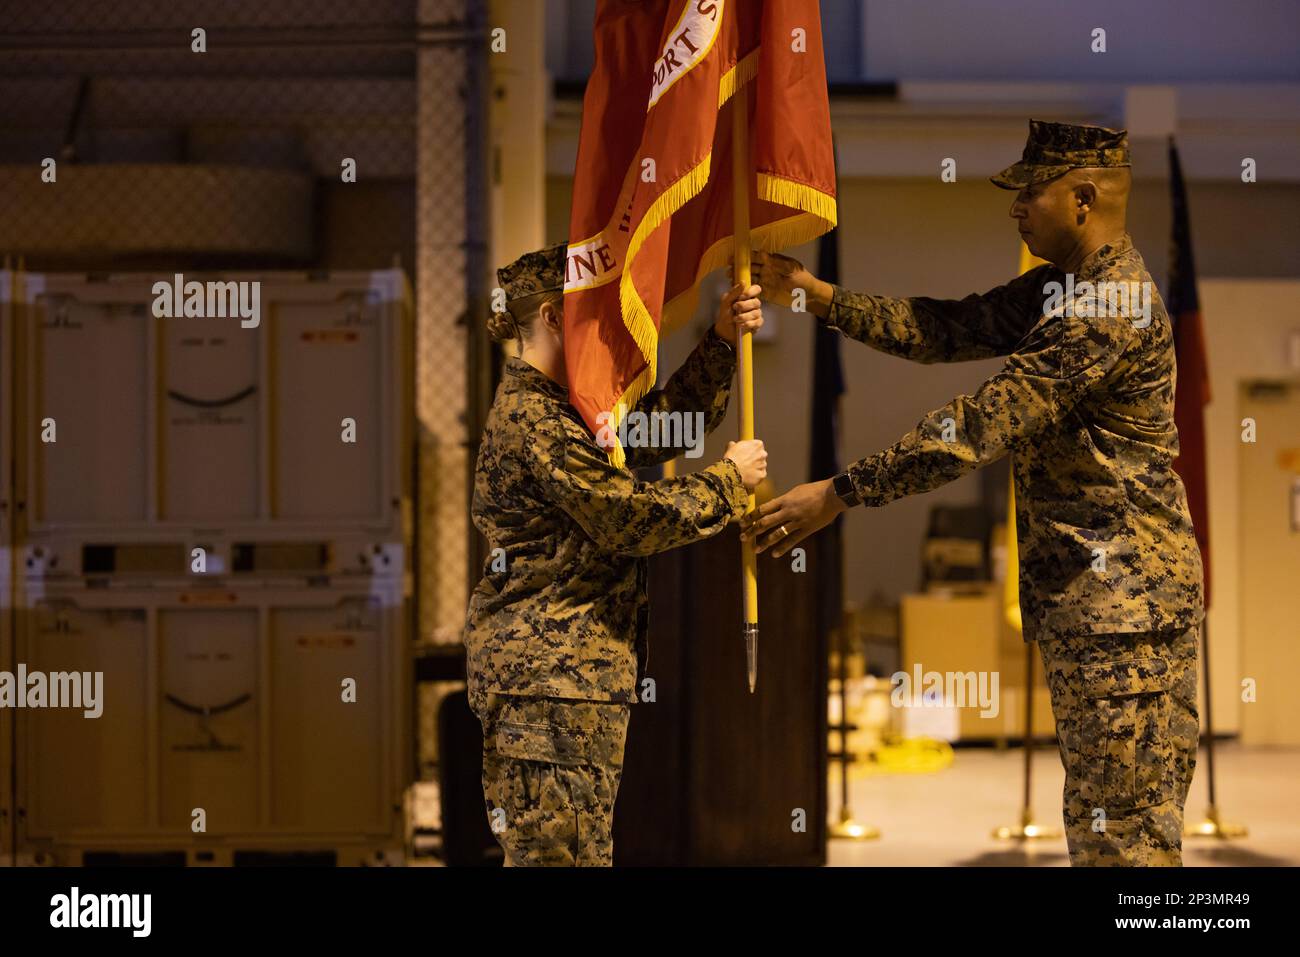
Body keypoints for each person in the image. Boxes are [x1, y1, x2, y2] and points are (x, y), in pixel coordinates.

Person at [742, 120, 1203, 866]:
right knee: (1106, 828)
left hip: (1125, 606)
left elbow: (981, 423)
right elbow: (944, 328)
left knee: (1126, 842)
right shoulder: (1064, 287)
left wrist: (839, 492)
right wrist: (812, 294)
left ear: (1082, 199)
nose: (1016, 208)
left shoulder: (1108, 304)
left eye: (1031, 191)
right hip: (1100, 606)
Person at [464, 241, 768, 866]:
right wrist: (727, 482)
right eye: (593, 311)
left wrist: (719, 339)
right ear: (553, 316)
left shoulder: (567, 412)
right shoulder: (535, 421)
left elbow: (663, 427)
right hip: (548, 686)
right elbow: (628, 519)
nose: (608, 328)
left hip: (566, 683)